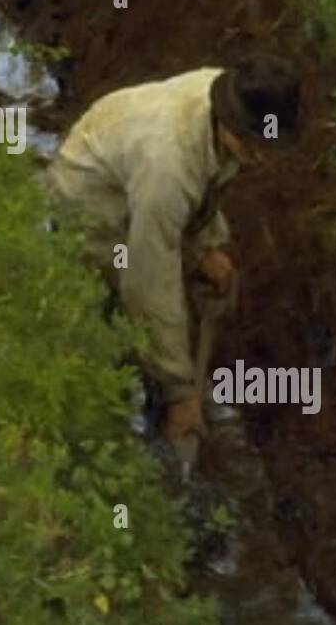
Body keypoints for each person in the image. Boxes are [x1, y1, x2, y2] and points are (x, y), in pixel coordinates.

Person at [44, 58, 301, 448]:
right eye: (251, 145)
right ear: (227, 122)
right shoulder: (167, 166)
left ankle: (161, 393)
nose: (260, 156)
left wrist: (204, 246)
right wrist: (180, 393)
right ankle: (114, 426)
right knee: (112, 318)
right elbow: (147, 282)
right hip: (90, 203)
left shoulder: (228, 98)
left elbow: (206, 185)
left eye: (266, 146)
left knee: (167, 305)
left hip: (134, 175)